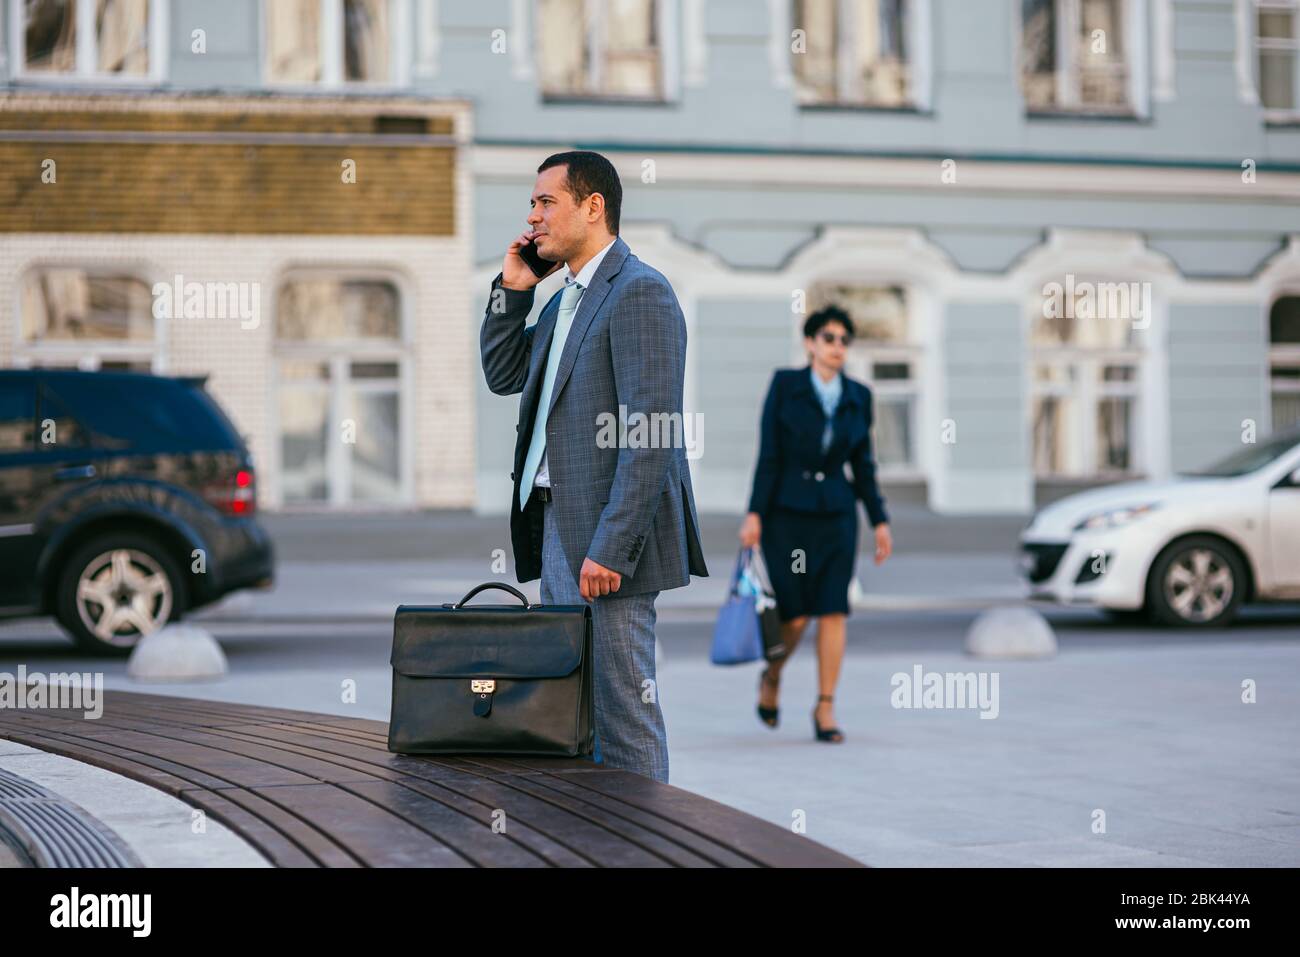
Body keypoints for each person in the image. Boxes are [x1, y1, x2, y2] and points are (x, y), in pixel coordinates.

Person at [479, 150, 708, 784]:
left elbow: (652, 435)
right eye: (532, 204)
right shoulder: (564, 300)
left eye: (546, 202)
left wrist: (612, 547)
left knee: (622, 717)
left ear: (593, 207)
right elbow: (503, 375)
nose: (533, 218)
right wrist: (514, 290)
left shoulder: (640, 292)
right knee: (575, 714)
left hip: (607, 544)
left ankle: (647, 848)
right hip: (558, 526)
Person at [738, 305, 894, 743]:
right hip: (788, 517)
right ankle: (773, 675)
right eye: (829, 338)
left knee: (833, 608)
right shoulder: (786, 386)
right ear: (810, 343)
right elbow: (769, 455)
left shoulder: (859, 396)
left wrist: (879, 520)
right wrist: (754, 514)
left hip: (837, 517)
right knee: (796, 610)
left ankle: (825, 707)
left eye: (844, 340)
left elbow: (864, 465)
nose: (837, 346)